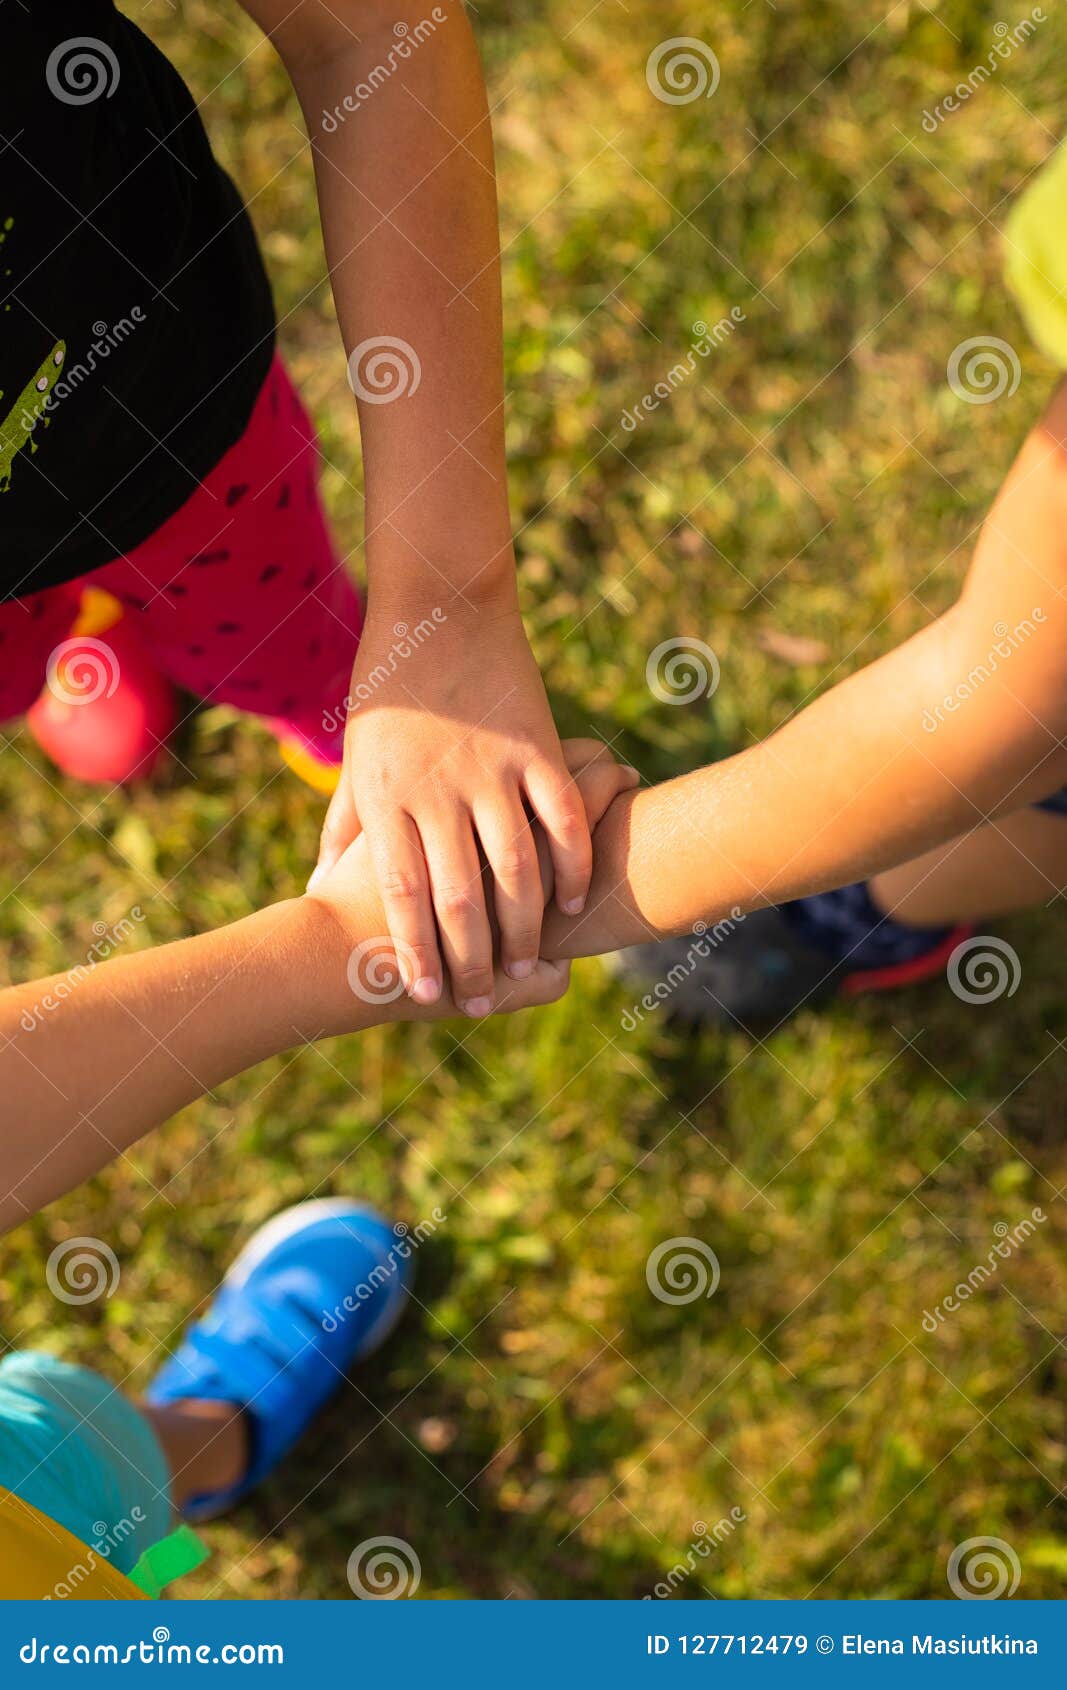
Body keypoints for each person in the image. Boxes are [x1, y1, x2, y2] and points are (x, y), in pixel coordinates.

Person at [1, 0, 591, 1023]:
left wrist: (444, 608)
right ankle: (77, 636)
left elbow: (368, 25)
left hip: (177, 432)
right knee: (78, 693)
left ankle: (316, 706)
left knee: (283, 643)